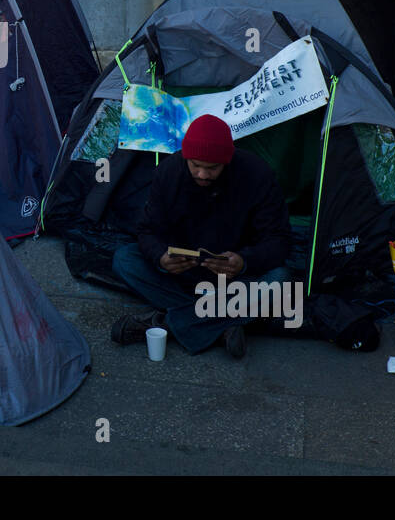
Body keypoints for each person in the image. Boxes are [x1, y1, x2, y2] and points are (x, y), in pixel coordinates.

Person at [109, 114, 292, 358]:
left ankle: (163, 323)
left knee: (279, 279)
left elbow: (279, 240)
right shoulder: (168, 172)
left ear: (226, 161)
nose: (203, 174)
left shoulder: (257, 175)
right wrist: (161, 258)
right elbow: (147, 230)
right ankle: (222, 323)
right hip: (182, 277)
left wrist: (244, 261)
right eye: (195, 165)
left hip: (234, 282)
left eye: (212, 168)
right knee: (124, 259)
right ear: (186, 158)